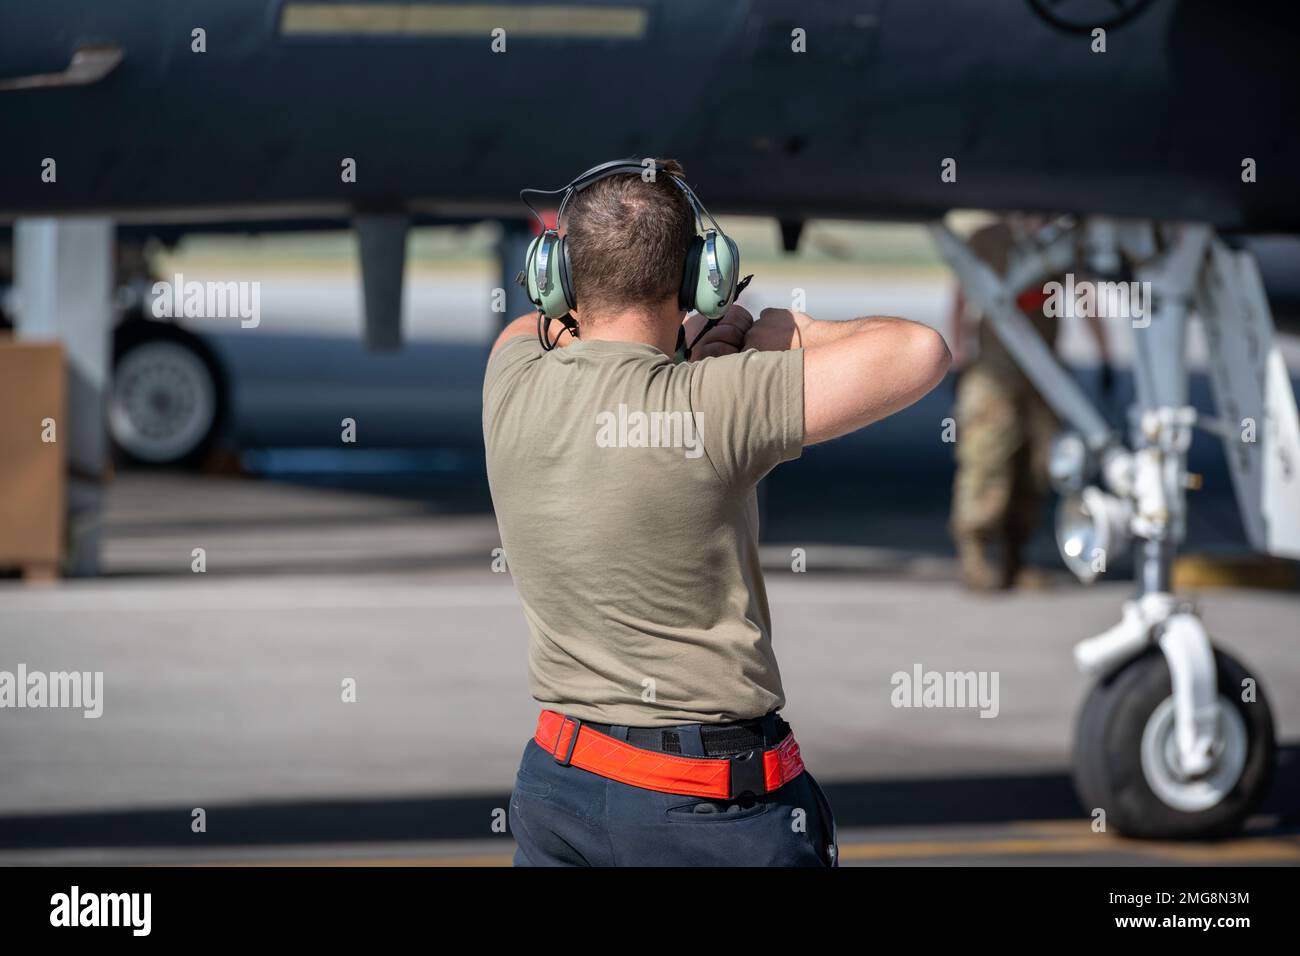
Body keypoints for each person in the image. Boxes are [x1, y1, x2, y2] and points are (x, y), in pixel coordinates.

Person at [483, 158, 950, 866]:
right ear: (702, 278)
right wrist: (791, 332)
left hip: (560, 787)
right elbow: (920, 351)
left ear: (559, 277)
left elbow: (543, 330)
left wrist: (690, 354)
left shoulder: (509, 377)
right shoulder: (717, 403)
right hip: (704, 808)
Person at [948, 218, 1110, 591]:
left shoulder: (1060, 239)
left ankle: (1014, 560)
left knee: (1037, 465)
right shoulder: (988, 239)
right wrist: (958, 355)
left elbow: (1082, 293)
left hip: (1043, 374)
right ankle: (975, 558)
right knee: (987, 460)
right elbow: (961, 295)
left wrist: (1104, 355)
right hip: (995, 372)